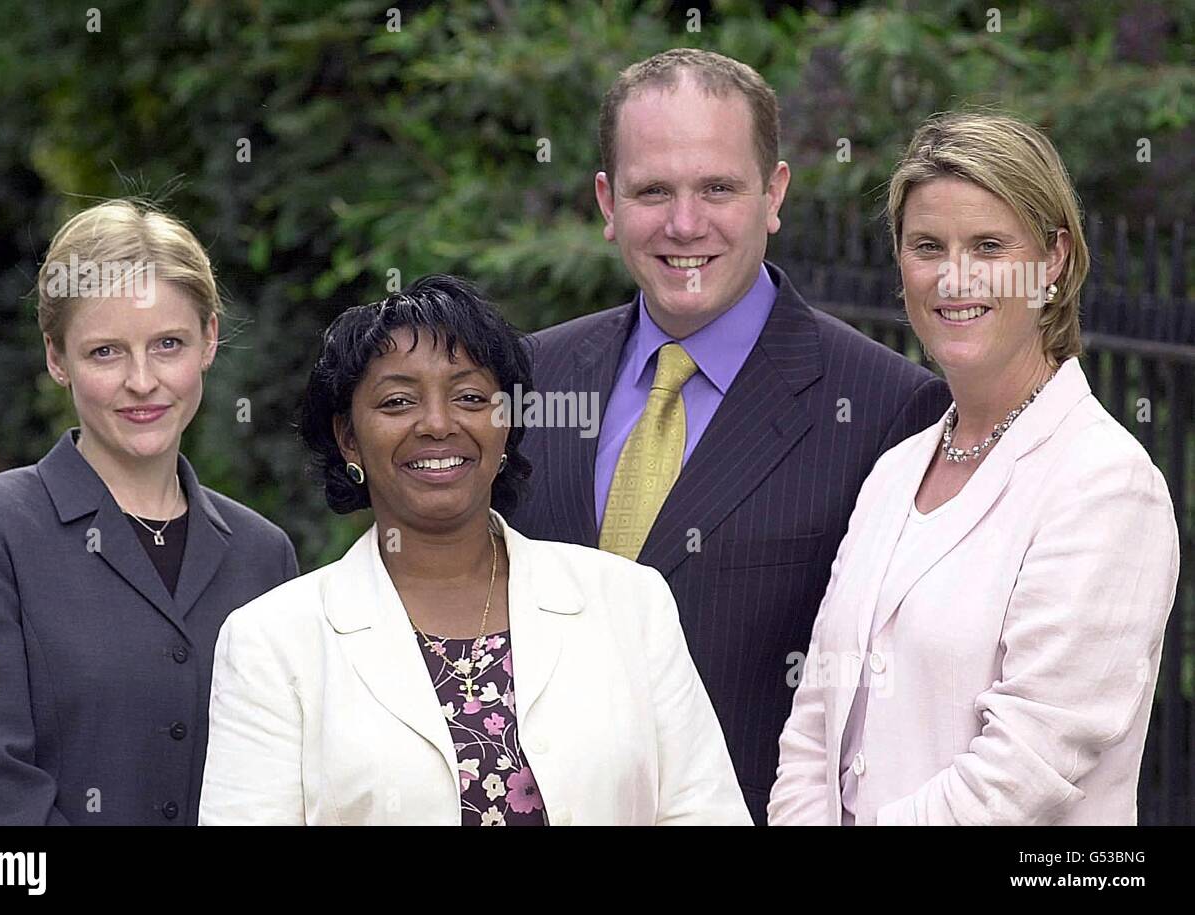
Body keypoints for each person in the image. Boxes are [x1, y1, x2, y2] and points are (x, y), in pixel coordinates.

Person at [506, 48, 952, 821]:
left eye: (718, 187)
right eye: (653, 191)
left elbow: (895, 706)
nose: (685, 223)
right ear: (608, 202)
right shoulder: (531, 379)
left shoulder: (889, 409)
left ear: (773, 193)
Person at [198, 274, 750, 826]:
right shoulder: (271, 642)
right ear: (348, 438)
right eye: (397, 401)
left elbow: (702, 809)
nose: (438, 424)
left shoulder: (630, 601)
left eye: (469, 397)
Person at [768, 112, 1180, 826]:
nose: (953, 277)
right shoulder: (895, 470)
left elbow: (1024, 769)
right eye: (928, 245)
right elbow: (816, 718)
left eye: (988, 246)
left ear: (1052, 259)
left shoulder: (1108, 484)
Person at [0, 199, 299, 825]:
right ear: (56, 359)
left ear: (209, 340)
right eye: (105, 352)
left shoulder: (264, 554)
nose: (142, 381)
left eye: (168, 344)